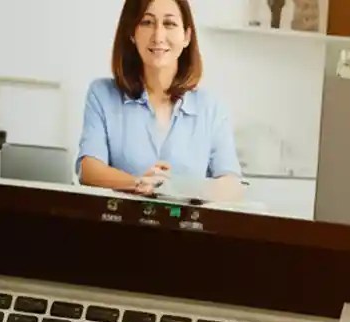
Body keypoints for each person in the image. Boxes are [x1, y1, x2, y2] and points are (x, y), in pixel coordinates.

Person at [76, 0, 244, 202]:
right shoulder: (102, 94)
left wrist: (176, 188)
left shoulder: (212, 108)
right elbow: (89, 169)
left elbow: (232, 184)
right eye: (147, 22)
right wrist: (138, 183)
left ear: (186, 36)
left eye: (169, 24)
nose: (158, 36)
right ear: (132, 33)